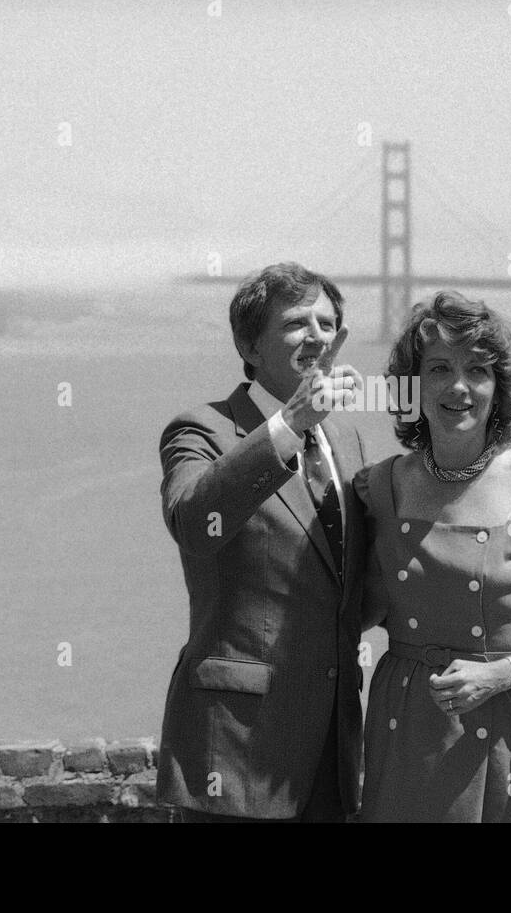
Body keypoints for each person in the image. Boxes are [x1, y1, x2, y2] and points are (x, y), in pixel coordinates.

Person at [353, 291, 511, 822]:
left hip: (509, 724)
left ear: (500, 388)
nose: (458, 387)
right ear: (412, 385)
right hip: (406, 724)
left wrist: (499, 675)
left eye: (477, 370)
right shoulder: (377, 487)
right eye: (439, 368)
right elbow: (361, 608)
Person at [157, 262, 367, 822]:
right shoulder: (201, 429)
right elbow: (197, 525)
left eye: (327, 324)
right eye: (297, 323)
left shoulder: (345, 438)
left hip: (332, 751)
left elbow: (357, 584)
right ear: (249, 344)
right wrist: (289, 425)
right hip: (238, 747)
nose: (317, 336)